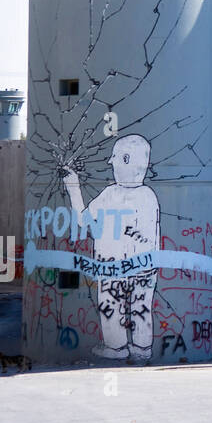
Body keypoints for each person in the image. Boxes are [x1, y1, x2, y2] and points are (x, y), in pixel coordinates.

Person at [62, 134, 160, 362]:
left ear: (125, 160)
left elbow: (83, 220)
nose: (112, 164)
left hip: (112, 266)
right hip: (145, 267)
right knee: (141, 307)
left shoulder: (110, 194)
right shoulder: (149, 196)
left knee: (111, 304)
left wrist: (73, 187)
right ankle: (142, 348)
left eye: (115, 159)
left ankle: (116, 347)